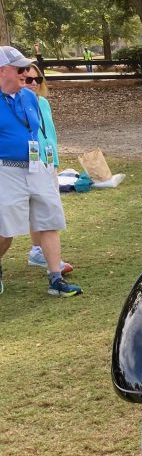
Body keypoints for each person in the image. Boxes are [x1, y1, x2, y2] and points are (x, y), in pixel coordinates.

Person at [0, 45, 82, 297]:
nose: (26, 73)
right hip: (6, 171)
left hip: (38, 168)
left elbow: (37, 132)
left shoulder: (30, 97)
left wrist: (48, 162)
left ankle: (55, 278)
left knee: (48, 222)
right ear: (3, 71)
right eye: (20, 69)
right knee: (5, 229)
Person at [22, 64, 73, 274]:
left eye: (38, 79)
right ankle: (41, 252)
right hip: (29, 163)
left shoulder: (43, 103)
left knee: (41, 209)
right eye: (29, 80)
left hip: (47, 160)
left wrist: (54, 158)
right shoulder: (16, 104)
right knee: (43, 210)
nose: (34, 83)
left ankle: (38, 252)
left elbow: (49, 133)